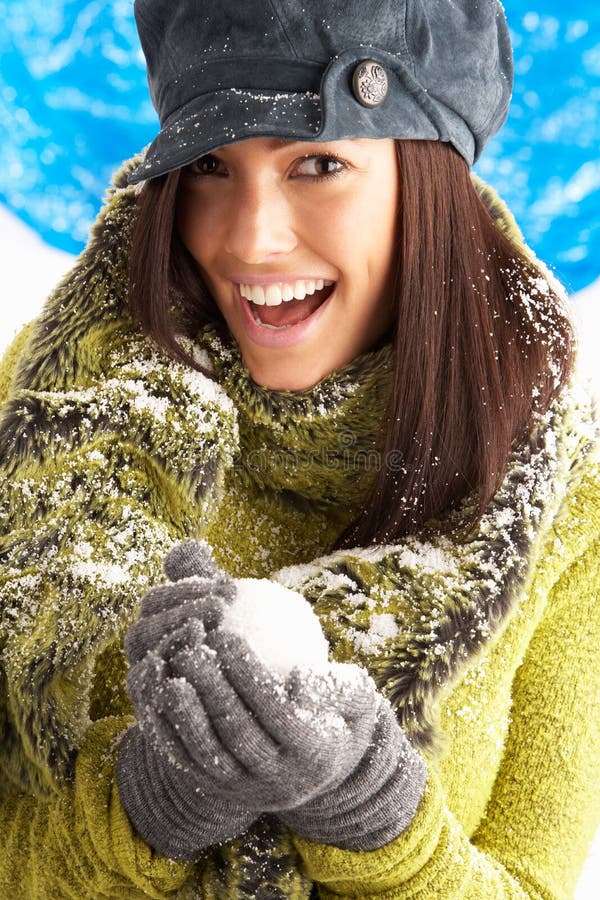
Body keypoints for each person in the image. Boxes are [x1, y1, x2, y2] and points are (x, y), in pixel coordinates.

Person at [0, 0, 598, 897]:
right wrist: (139, 808)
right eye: (210, 165)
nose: (247, 238)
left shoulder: (565, 493)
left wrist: (380, 822)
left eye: (318, 163)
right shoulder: (56, 416)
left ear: (424, 182)